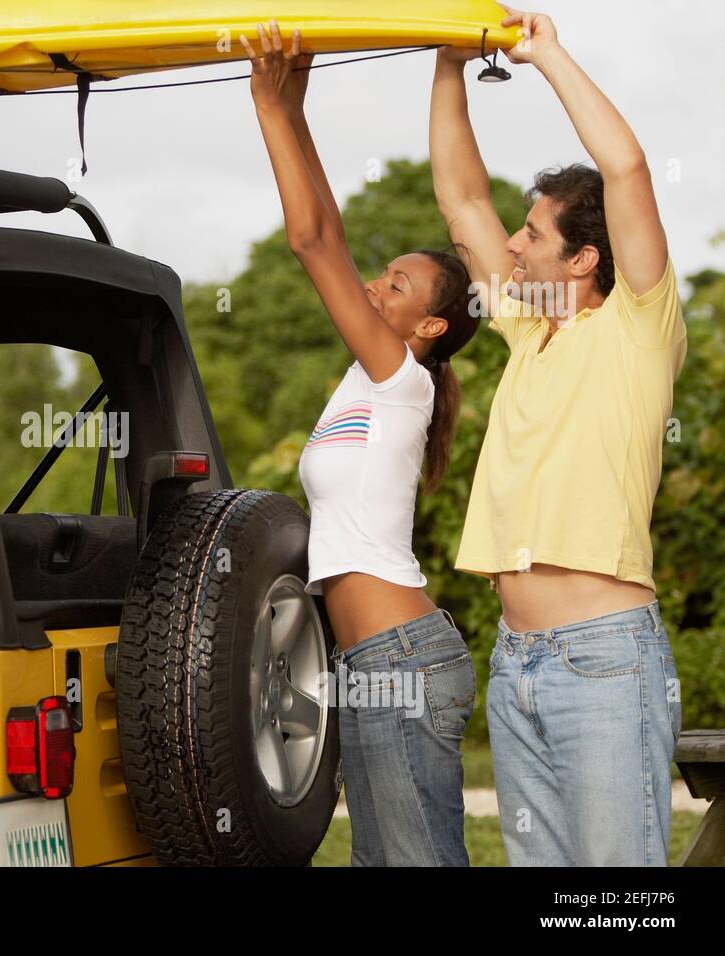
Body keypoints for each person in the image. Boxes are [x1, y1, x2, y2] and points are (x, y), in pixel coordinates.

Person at [430, 5, 687, 865]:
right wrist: (446, 62)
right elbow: (461, 198)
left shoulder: (638, 331)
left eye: (533, 234)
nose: (511, 243)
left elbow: (627, 167)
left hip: (606, 663)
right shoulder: (529, 325)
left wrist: (548, 55)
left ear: (584, 259)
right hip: (518, 662)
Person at [241, 21, 480, 865]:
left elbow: (314, 244)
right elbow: (330, 229)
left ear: (430, 325)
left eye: (399, 285)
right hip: (376, 661)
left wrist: (264, 104)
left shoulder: (401, 381)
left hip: (402, 661)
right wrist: (296, 106)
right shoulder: (366, 378)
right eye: (382, 276)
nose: (378, 286)